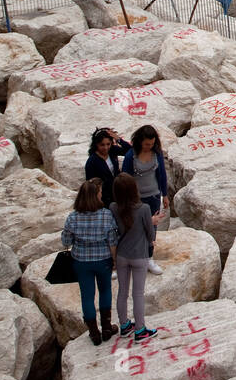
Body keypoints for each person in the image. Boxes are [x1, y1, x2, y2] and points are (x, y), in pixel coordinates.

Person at [61, 179, 120, 345]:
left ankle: (94, 333)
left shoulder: (72, 218)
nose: (102, 195)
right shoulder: (106, 215)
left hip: (81, 261)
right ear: (95, 196)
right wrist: (114, 260)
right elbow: (112, 241)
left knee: (87, 296)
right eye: (100, 193)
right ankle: (107, 327)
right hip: (103, 260)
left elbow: (66, 240)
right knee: (105, 291)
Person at [110, 173, 160, 342]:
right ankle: (140, 330)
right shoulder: (144, 209)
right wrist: (152, 223)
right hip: (139, 255)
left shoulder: (113, 208)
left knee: (122, 292)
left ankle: (124, 325)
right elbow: (150, 233)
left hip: (122, 255)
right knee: (138, 293)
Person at [121, 125, 169, 275]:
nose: (150, 146)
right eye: (147, 144)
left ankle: (149, 257)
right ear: (140, 141)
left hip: (153, 196)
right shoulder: (131, 156)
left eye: (152, 143)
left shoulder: (156, 154)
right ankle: (134, 257)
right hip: (136, 198)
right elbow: (125, 179)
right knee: (134, 227)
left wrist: (165, 194)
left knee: (151, 227)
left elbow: (161, 174)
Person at [85, 127, 131, 208]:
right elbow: (91, 184)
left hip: (118, 194)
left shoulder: (112, 151)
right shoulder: (92, 162)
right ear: (96, 144)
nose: (106, 148)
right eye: (102, 145)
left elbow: (130, 151)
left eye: (108, 144)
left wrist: (118, 139)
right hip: (104, 199)